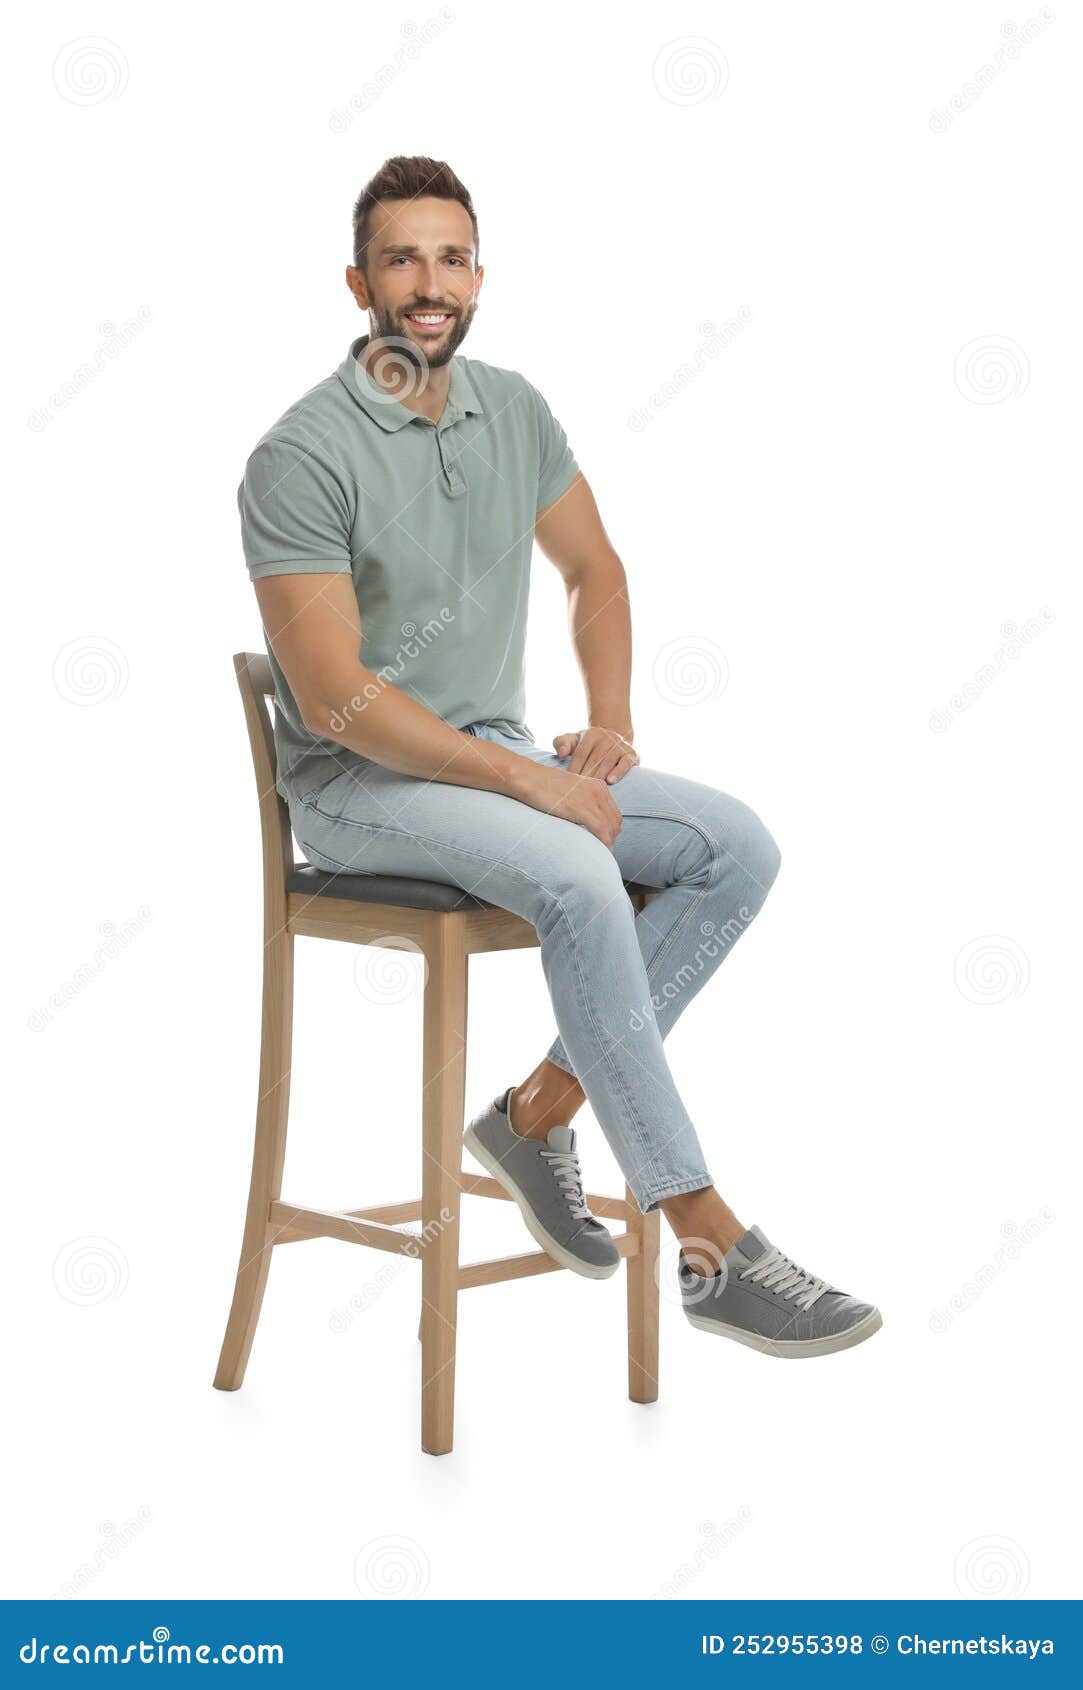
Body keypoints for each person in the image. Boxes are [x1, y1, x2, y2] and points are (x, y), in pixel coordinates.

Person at [238, 154, 881, 1359]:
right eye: (402, 257)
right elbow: (335, 701)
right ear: (356, 281)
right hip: (361, 792)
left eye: (452, 256)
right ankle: (704, 1235)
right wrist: (534, 779)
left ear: (478, 274)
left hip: (486, 760)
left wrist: (609, 724)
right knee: (582, 873)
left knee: (734, 847)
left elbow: (598, 572)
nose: (430, 282)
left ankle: (538, 1114)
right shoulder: (301, 454)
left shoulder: (514, 408)